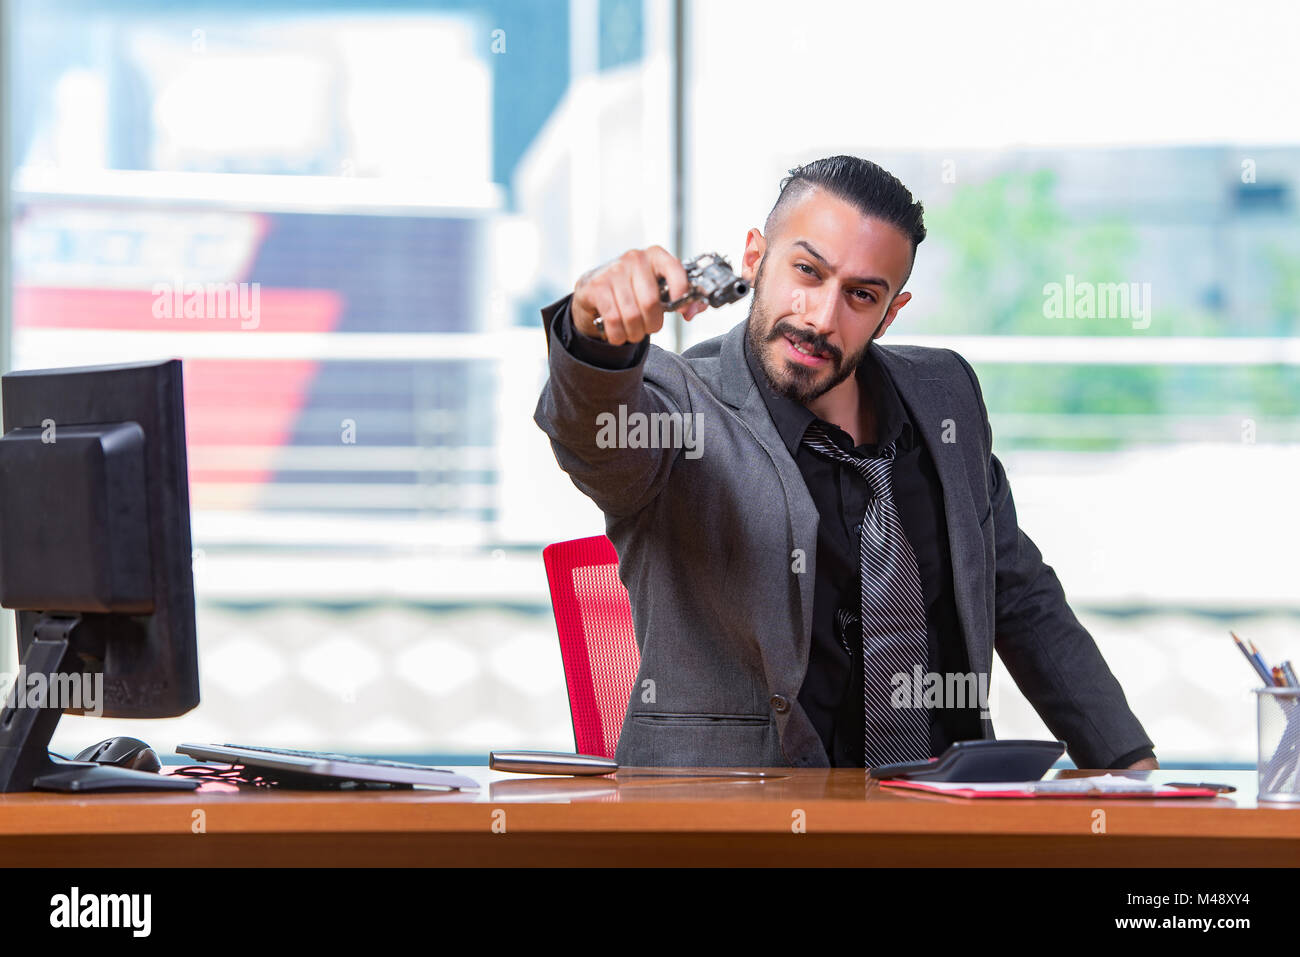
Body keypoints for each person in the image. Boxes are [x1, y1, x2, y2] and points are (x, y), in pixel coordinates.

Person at [534, 154, 1157, 770]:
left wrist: (1130, 763)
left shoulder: (945, 395)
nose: (821, 319)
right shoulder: (677, 406)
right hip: (739, 826)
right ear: (755, 260)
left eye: (860, 295)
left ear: (890, 313)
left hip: (944, 817)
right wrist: (591, 334)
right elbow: (591, 434)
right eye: (807, 272)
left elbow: (1015, 591)